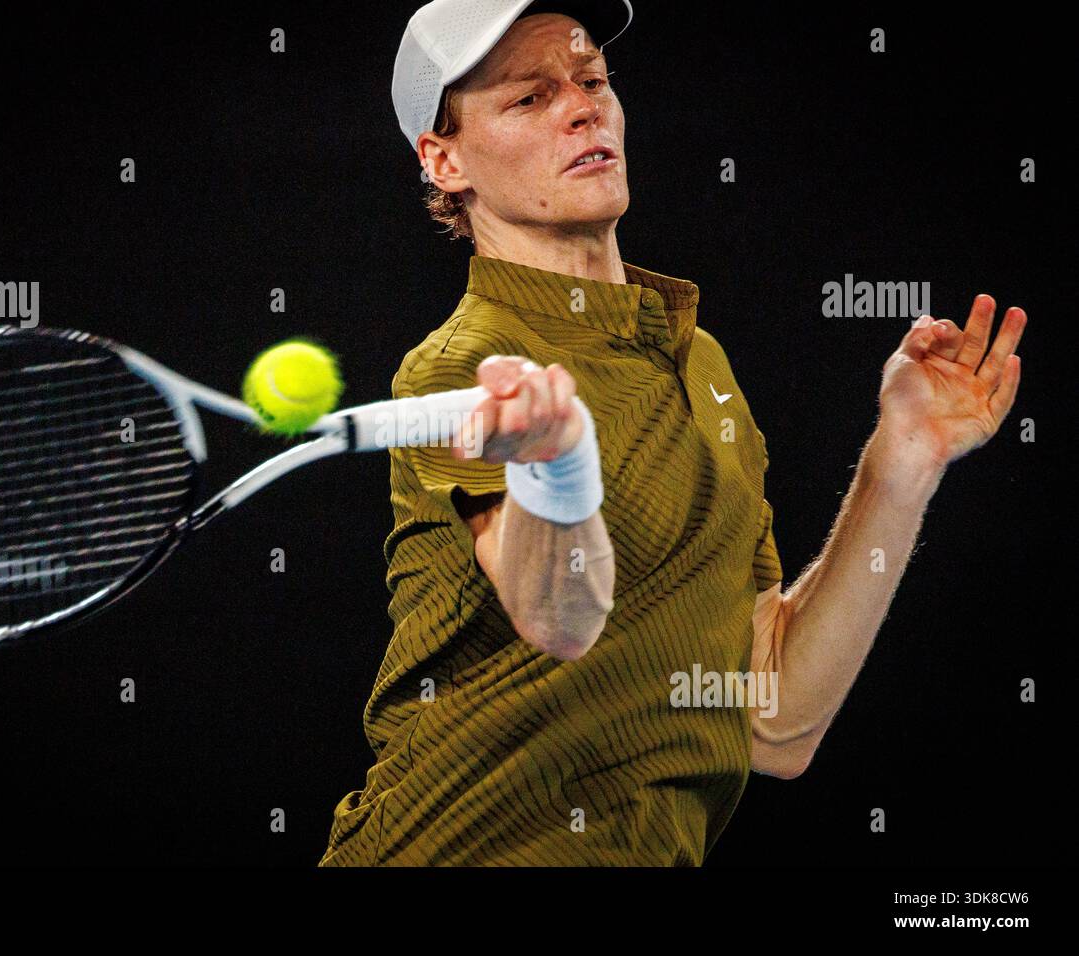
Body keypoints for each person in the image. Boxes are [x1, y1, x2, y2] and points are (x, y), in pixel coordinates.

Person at [319, 0, 1026, 866]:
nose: (584, 108)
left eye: (592, 82)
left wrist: (902, 459)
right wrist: (557, 475)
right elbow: (560, 616)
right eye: (529, 100)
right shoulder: (468, 366)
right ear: (445, 159)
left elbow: (774, 719)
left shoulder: (701, 363)